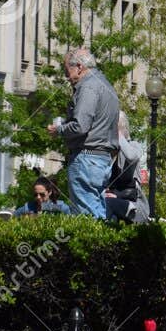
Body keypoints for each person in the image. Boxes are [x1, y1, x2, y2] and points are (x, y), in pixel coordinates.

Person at [46, 47, 119, 218]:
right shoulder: (106, 85)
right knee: (97, 212)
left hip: (86, 159)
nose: (66, 76)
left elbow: (80, 126)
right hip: (101, 160)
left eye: (67, 70)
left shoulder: (88, 87)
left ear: (79, 67)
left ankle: (102, 245)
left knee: (86, 218)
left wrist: (59, 129)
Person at [104, 112, 150, 223]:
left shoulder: (134, 146)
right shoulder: (108, 153)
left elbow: (132, 157)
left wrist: (119, 135)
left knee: (107, 203)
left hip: (135, 207)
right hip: (115, 206)